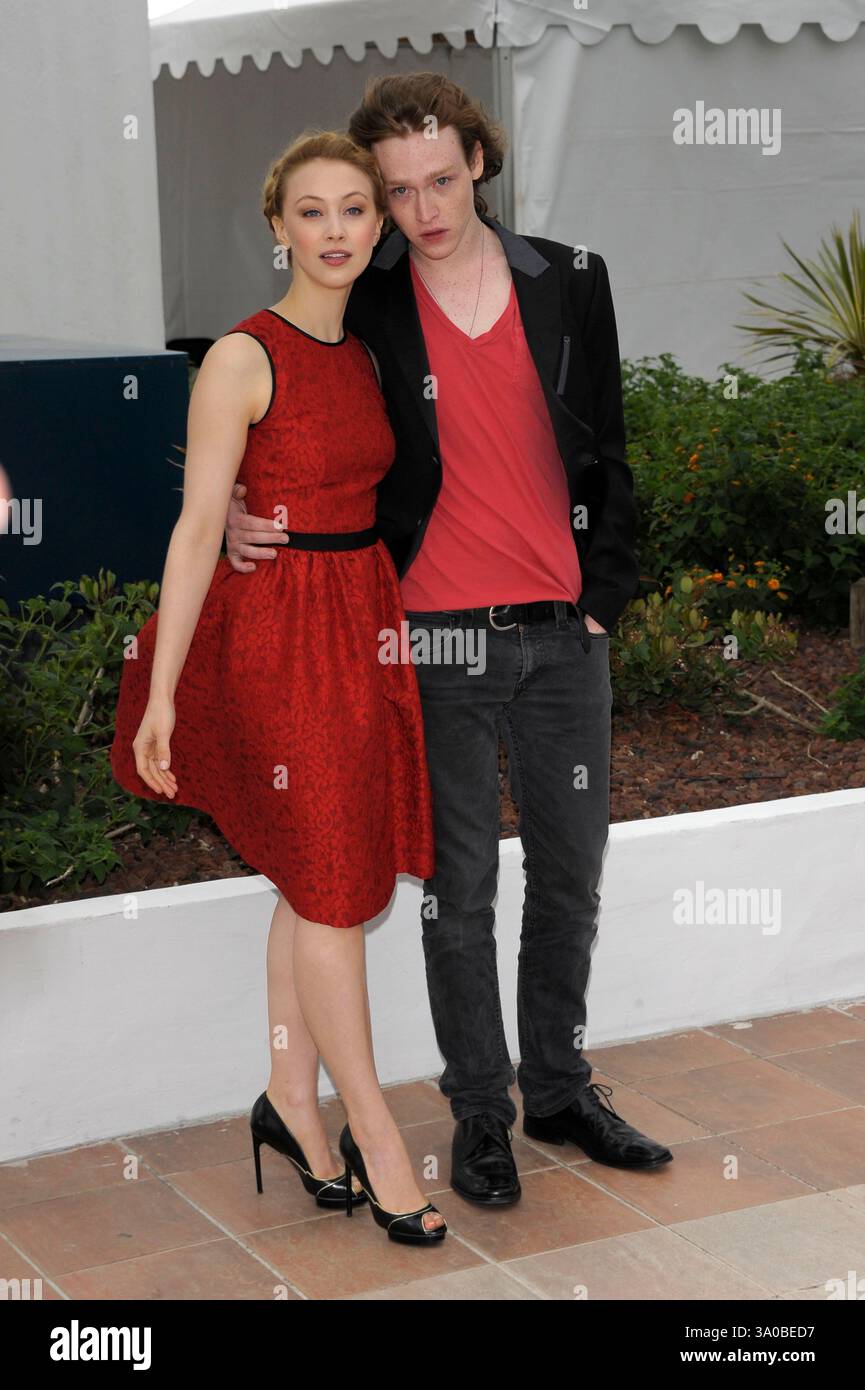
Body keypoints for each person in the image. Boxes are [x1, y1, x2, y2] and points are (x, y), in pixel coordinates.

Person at [225, 74, 673, 1208]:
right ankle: (481, 1113)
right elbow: (272, 398)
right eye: (395, 192)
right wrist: (231, 504)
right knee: (457, 889)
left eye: (438, 179)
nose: (421, 211)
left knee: (570, 873)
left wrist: (601, 596)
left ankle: (560, 1088)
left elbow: (608, 449)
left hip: (562, 636)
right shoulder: (364, 304)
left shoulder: (569, 280)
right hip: (430, 638)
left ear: (478, 159)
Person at [110, 131, 447, 1244]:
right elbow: (200, 524)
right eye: (314, 211)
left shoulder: (368, 351)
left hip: (359, 623)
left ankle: (290, 1103)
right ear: (276, 227)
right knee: (335, 890)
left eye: (358, 209)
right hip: (272, 639)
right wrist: (161, 695)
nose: (340, 230)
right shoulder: (242, 356)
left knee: (314, 882)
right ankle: (378, 1134)